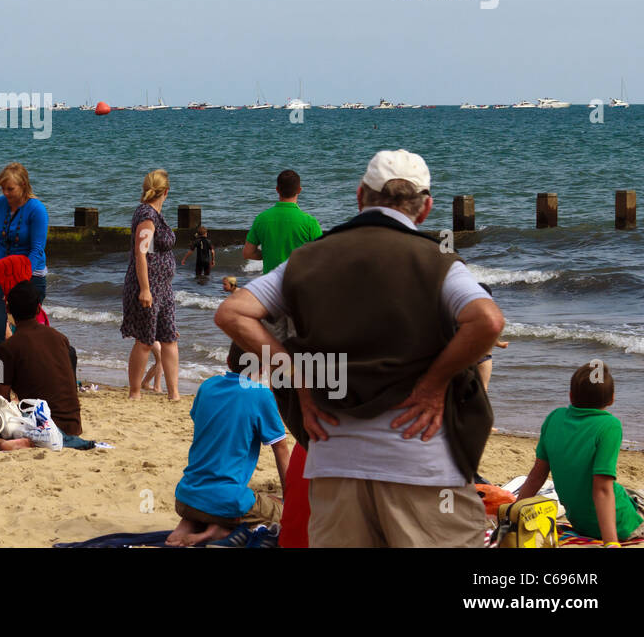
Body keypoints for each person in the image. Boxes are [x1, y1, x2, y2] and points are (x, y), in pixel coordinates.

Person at [215, 148, 504, 548]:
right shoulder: (438, 263)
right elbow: (487, 321)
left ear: (359, 196)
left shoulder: (307, 260)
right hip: (422, 461)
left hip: (334, 458)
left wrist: (300, 379)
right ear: (425, 209)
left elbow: (233, 314)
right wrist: (434, 385)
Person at [166, 345, 291, 546]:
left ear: (228, 361)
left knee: (244, 497)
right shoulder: (260, 394)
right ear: (263, 367)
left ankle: (190, 524)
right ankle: (216, 532)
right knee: (280, 512)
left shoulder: (207, 386)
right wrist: (290, 500)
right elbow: (281, 450)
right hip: (227, 504)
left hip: (185, 498)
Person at [514, 361, 644, 544]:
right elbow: (602, 488)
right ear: (612, 399)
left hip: (582, 523)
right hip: (621, 524)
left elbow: (536, 476)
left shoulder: (555, 418)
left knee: (634, 494)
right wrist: (611, 542)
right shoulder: (609, 426)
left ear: (570, 396)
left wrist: (513, 515)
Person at [0, 163, 50, 359]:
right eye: (2, 188)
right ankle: (0, 379)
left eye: (10, 189)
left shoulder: (37, 209)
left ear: (23, 185)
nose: (5, 193)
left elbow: (37, 249)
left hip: (30, 276)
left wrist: (21, 282)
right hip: (0, 273)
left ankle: (27, 372)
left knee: (26, 329)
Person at [0, 280, 82, 438]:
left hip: (43, 428)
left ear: (7, 309)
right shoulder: (60, 338)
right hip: (74, 425)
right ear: (38, 308)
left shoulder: (5, 348)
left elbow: (0, 396)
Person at [121, 169, 179, 400]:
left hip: (163, 287)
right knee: (145, 340)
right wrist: (145, 289)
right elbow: (141, 254)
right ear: (166, 191)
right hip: (149, 287)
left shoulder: (155, 214)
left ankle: (174, 393)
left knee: (169, 338)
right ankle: (135, 392)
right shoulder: (147, 216)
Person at [242, 169, 322, 275]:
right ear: (299, 190)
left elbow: (248, 253)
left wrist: (267, 254)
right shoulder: (310, 222)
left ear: (277, 189)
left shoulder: (261, 219)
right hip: (297, 283)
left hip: (270, 284)